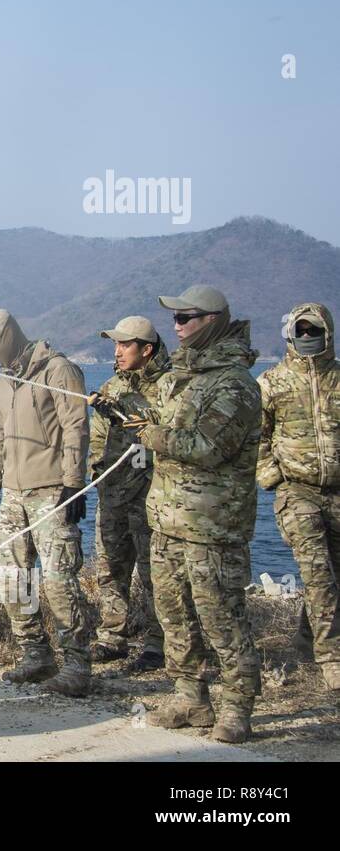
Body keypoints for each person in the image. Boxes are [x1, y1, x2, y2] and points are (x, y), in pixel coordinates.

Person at [139, 285, 262, 743]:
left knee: (223, 621)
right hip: (167, 522)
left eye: (187, 317)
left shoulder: (235, 384)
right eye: (175, 318)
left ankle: (237, 707)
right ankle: (190, 697)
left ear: (212, 320)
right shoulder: (177, 378)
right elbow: (158, 422)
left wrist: (152, 436)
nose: (178, 325)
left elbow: (210, 447)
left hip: (213, 528)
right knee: (174, 615)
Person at [0, 308, 92, 696]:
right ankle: (35, 654)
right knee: (12, 580)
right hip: (13, 496)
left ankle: (77, 664)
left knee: (58, 581)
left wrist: (73, 483)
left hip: (51, 491)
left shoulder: (59, 371)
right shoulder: (2, 383)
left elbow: (76, 427)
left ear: (5, 337)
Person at [257, 302, 340, 691]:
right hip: (296, 492)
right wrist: (273, 477)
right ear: (291, 333)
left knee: (331, 575)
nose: (308, 337)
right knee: (317, 571)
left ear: (327, 333)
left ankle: (306, 648)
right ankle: (332, 659)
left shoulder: (339, 380)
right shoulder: (272, 383)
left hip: (337, 492)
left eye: (314, 331)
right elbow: (255, 437)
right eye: (302, 331)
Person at [87, 316, 170, 672]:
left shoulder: (170, 387)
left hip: (152, 498)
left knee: (156, 575)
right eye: (115, 345)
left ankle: (158, 641)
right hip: (113, 494)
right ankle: (112, 637)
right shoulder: (111, 387)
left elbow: (167, 432)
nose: (118, 352)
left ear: (146, 349)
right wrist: (97, 474)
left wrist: (129, 414)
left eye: (125, 345)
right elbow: (96, 440)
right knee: (110, 570)